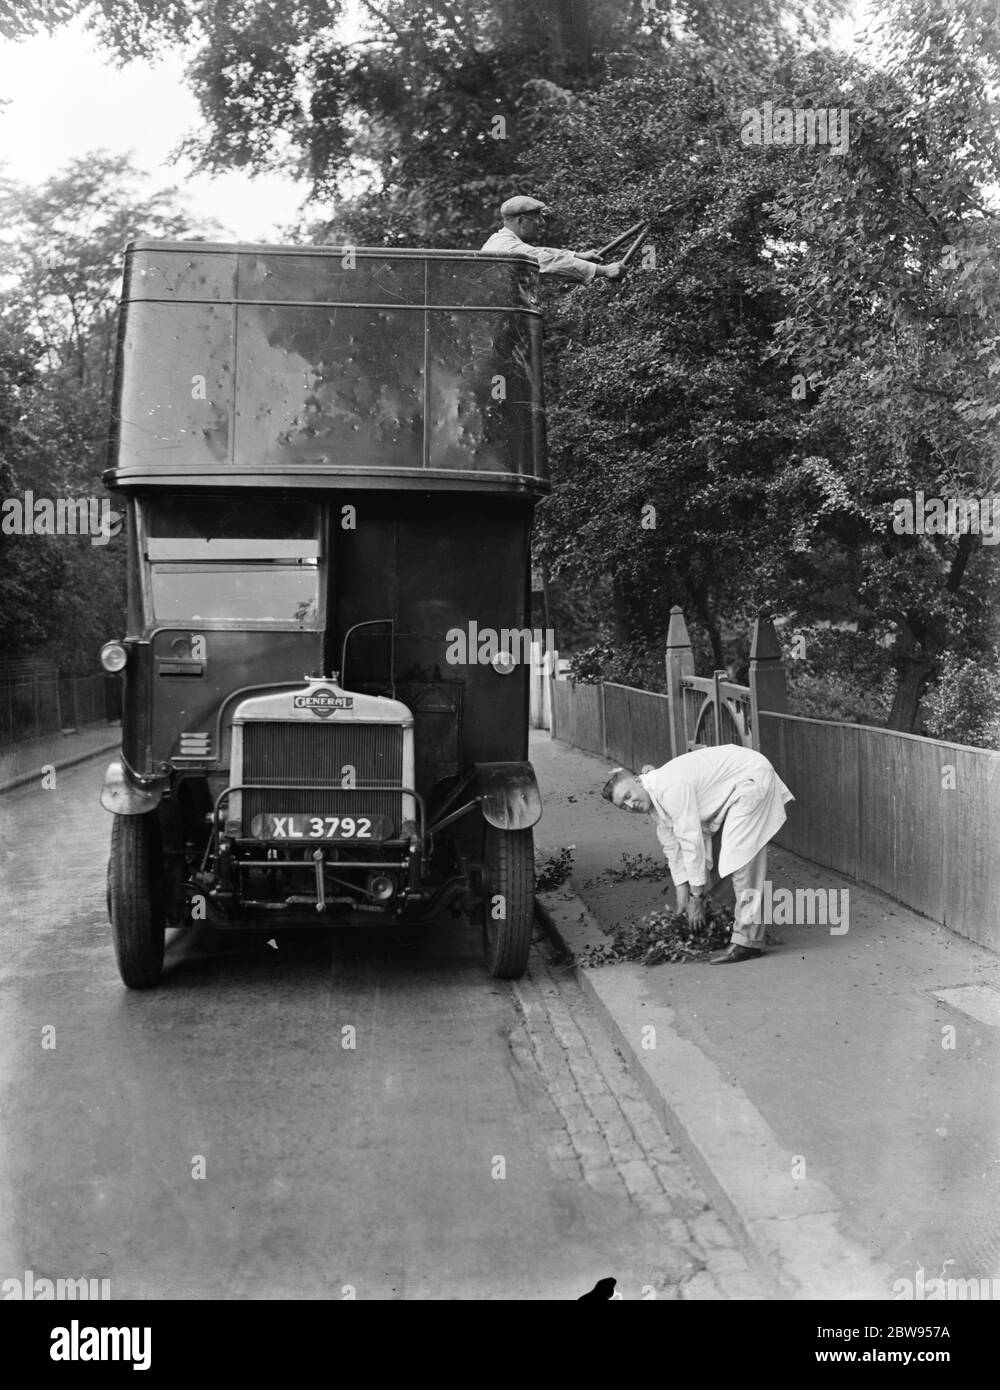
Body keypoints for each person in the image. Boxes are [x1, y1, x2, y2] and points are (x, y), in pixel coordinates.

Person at [601, 744, 794, 964]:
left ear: (637, 781)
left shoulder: (668, 787)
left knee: (740, 859)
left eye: (628, 795)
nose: (630, 804)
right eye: (623, 805)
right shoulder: (654, 800)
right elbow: (673, 848)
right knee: (718, 863)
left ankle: (747, 942)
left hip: (750, 780)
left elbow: (691, 842)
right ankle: (732, 924)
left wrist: (696, 898)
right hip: (736, 790)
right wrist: (683, 899)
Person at [481, 195, 623, 284]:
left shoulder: (501, 240)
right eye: (537, 218)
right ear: (521, 221)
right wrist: (604, 270)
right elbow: (549, 262)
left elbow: (538, 251)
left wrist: (577, 255)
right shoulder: (509, 248)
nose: (542, 223)